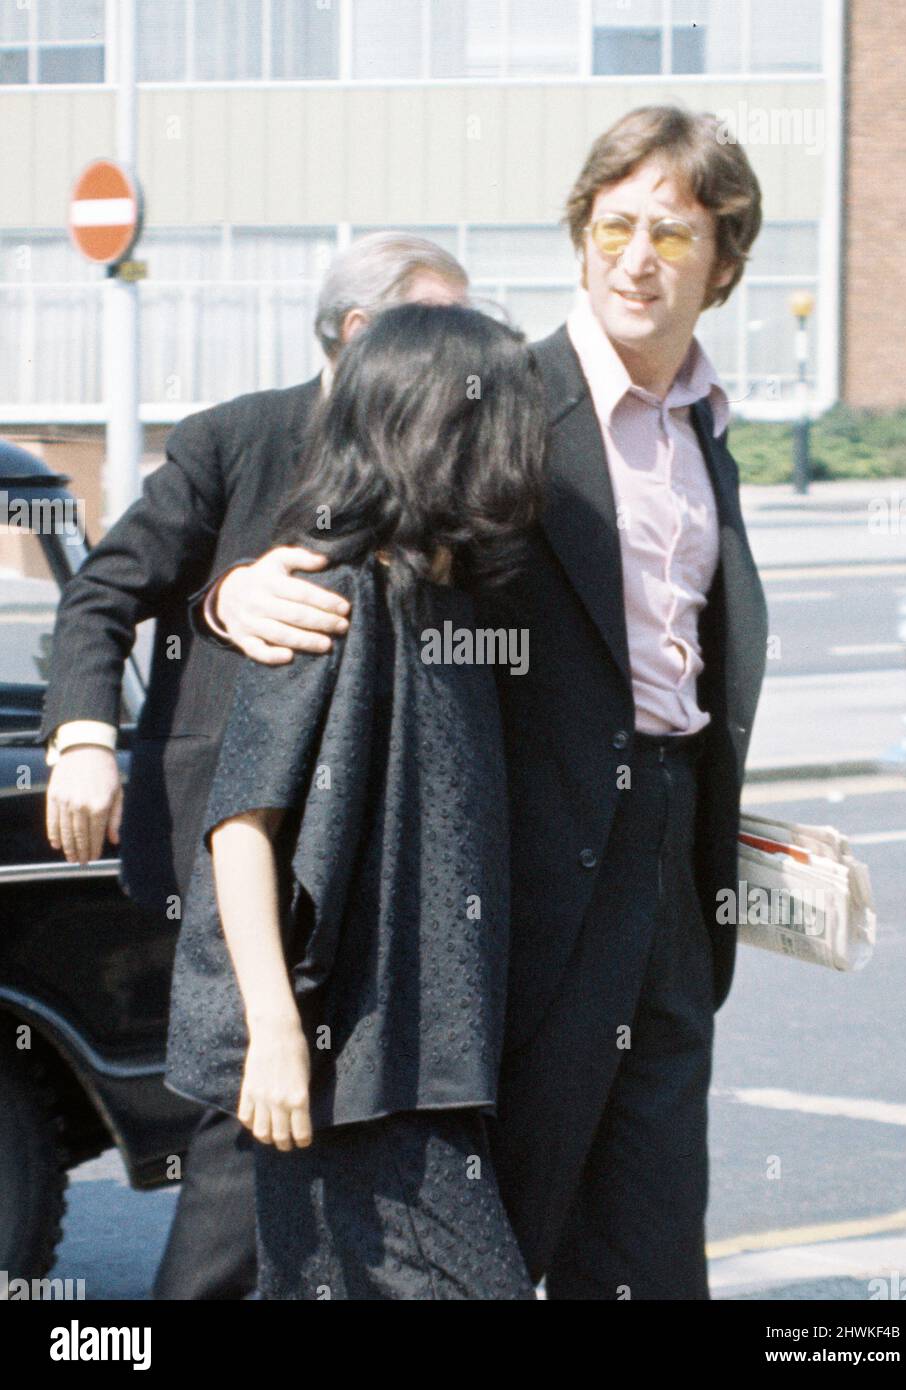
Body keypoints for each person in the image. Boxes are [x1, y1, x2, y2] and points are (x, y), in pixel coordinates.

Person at [197, 105, 771, 1299]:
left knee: (656, 1223)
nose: (635, 256)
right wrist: (235, 590)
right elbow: (345, 509)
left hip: (667, 863)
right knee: (501, 1219)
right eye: (613, 225)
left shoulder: (706, 428)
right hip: (511, 892)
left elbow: (674, 659)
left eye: (671, 233)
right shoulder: (497, 388)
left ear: (722, 261)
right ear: (577, 237)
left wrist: (733, 819)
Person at [39, 233, 470, 1299]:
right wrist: (85, 737)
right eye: (436, 325)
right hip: (237, 843)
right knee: (245, 1137)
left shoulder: (440, 453)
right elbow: (103, 595)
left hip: (369, 861)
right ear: (363, 335)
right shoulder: (237, 437)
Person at [162, 302, 548, 1299]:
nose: (525, 444)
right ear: (436, 430)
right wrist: (277, 1034)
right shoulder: (329, 595)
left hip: (415, 1074)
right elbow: (241, 827)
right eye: (506, 418)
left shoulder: (450, 599)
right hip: (352, 1078)